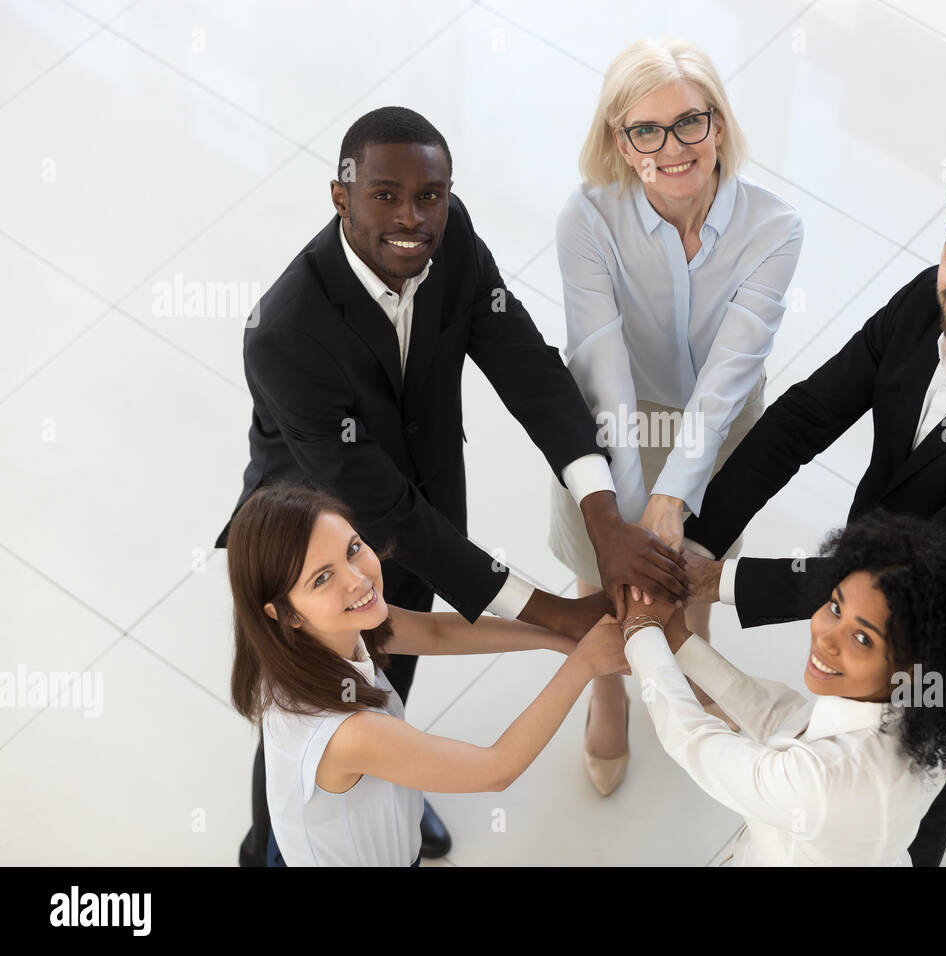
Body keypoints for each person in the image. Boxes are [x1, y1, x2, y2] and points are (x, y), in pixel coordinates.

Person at [214, 106, 688, 865]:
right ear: (341, 196)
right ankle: (268, 843)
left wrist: (602, 516)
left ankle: (394, 773)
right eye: (385, 195)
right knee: (312, 698)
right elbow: (382, 507)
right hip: (311, 542)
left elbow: (527, 366)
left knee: (388, 670)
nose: (413, 217)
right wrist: (558, 616)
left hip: (420, 495)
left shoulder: (451, 233)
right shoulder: (283, 332)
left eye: (430, 194)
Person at [679, 163, 946, 864]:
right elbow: (806, 418)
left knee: (911, 786)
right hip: (868, 576)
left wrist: (714, 582)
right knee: (837, 726)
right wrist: (695, 544)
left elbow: (904, 575)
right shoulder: (929, 303)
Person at [548, 38, 803, 795]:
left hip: (718, 424)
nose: (672, 148)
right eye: (646, 131)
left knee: (695, 567)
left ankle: (694, 668)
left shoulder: (775, 228)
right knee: (599, 565)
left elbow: (727, 380)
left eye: (690, 123)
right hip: (611, 415)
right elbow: (603, 368)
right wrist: (628, 518)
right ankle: (607, 686)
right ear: (619, 143)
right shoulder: (587, 219)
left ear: (718, 125)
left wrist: (670, 500)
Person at [585, 511, 946, 865]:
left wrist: (641, 632)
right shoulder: (916, 716)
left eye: (863, 638)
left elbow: (695, 743)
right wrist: (680, 641)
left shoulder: (826, 781)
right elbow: (784, 719)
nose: (826, 637)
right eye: (834, 607)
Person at [228, 484, 629, 866]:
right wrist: (584, 665)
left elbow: (438, 632)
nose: (357, 579)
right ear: (285, 613)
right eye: (322, 578)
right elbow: (496, 769)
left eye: (352, 549)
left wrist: (559, 636)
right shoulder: (348, 733)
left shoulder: (313, 638)